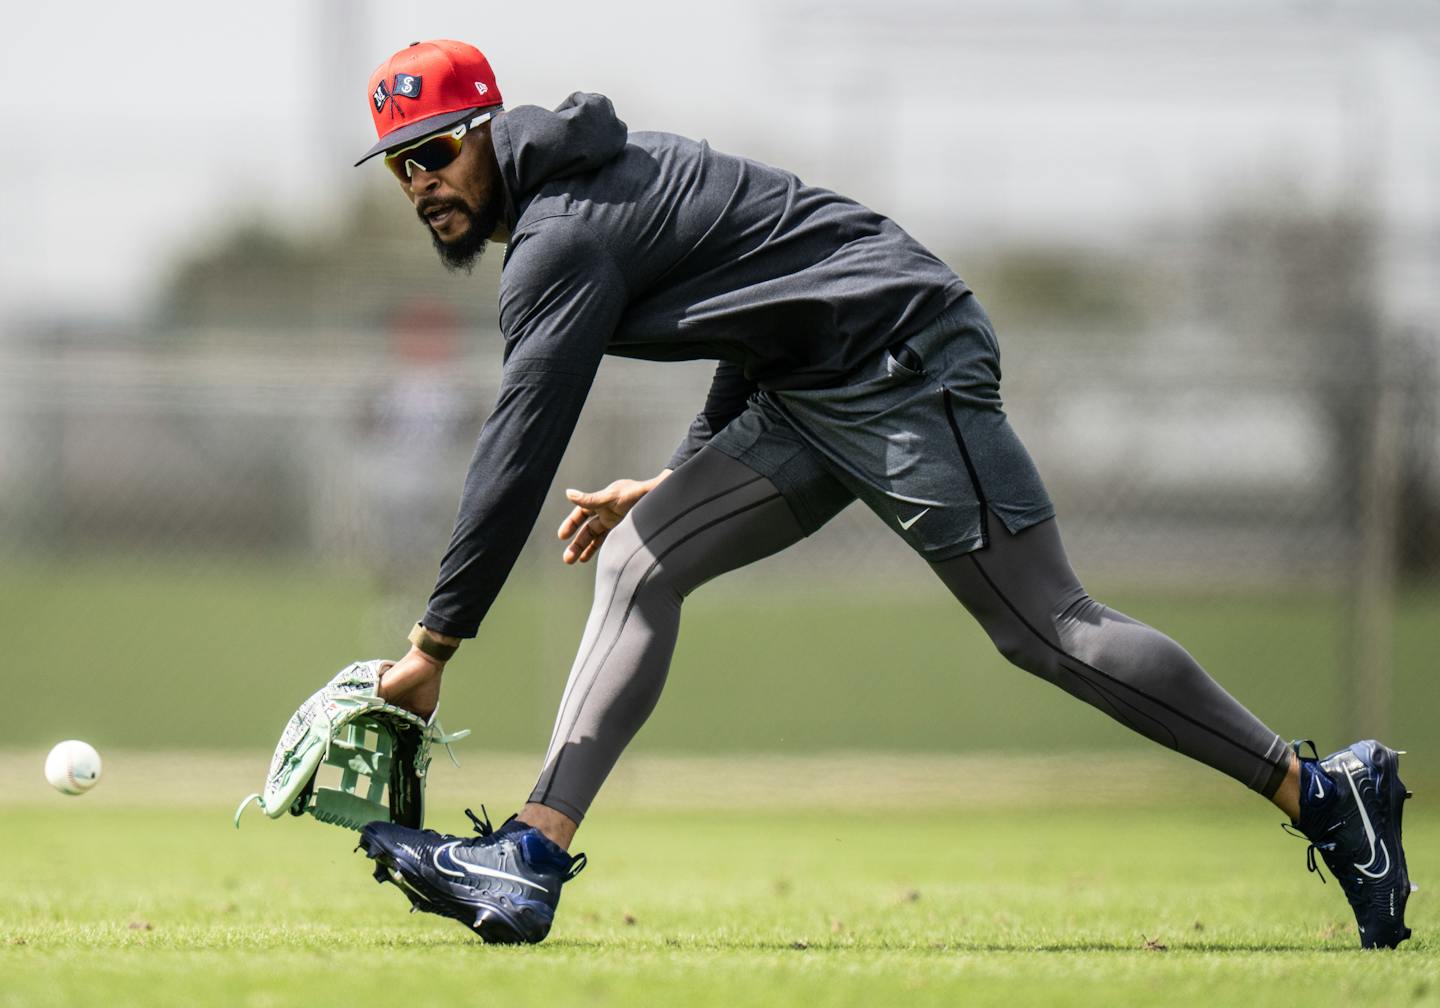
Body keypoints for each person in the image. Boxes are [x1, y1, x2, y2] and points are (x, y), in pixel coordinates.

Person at [350, 40, 1413, 948]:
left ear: (489, 131)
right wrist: (678, 476)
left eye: (438, 150)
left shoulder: (563, 232)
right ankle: (529, 857)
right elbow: (755, 308)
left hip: (902, 358)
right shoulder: (578, 199)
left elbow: (519, 442)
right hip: (816, 378)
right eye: (400, 167)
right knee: (643, 557)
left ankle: (1323, 794)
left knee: (1048, 628)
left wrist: (435, 645)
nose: (422, 183)